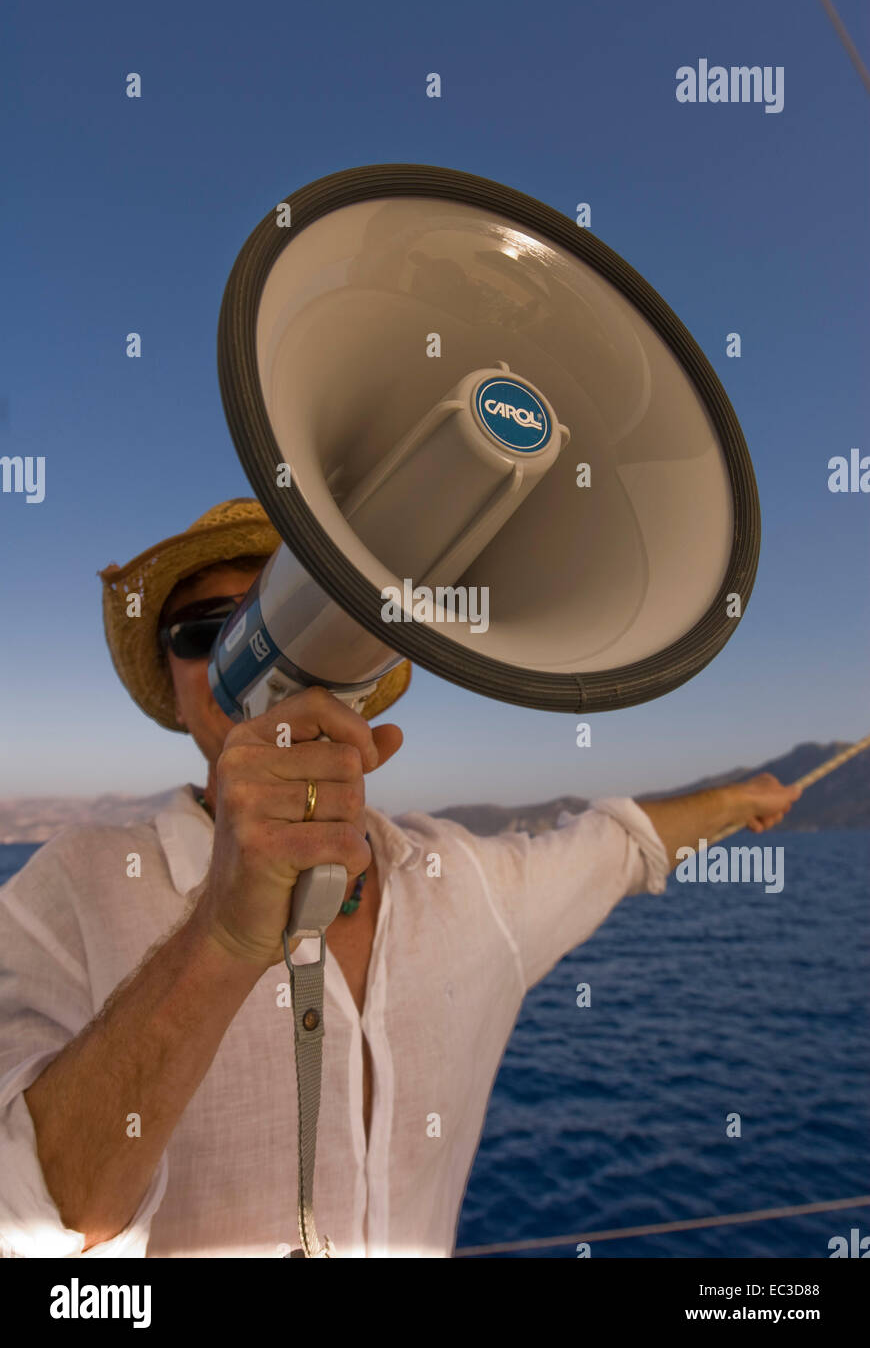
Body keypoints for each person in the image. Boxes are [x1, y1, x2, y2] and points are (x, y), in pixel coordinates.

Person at [0, 498, 801, 1258]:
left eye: (290, 610)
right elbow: (22, 1222)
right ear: (174, 685)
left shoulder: (471, 885)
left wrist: (741, 798)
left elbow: (616, 846)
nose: (246, 650)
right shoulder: (70, 890)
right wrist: (220, 938)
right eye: (203, 630)